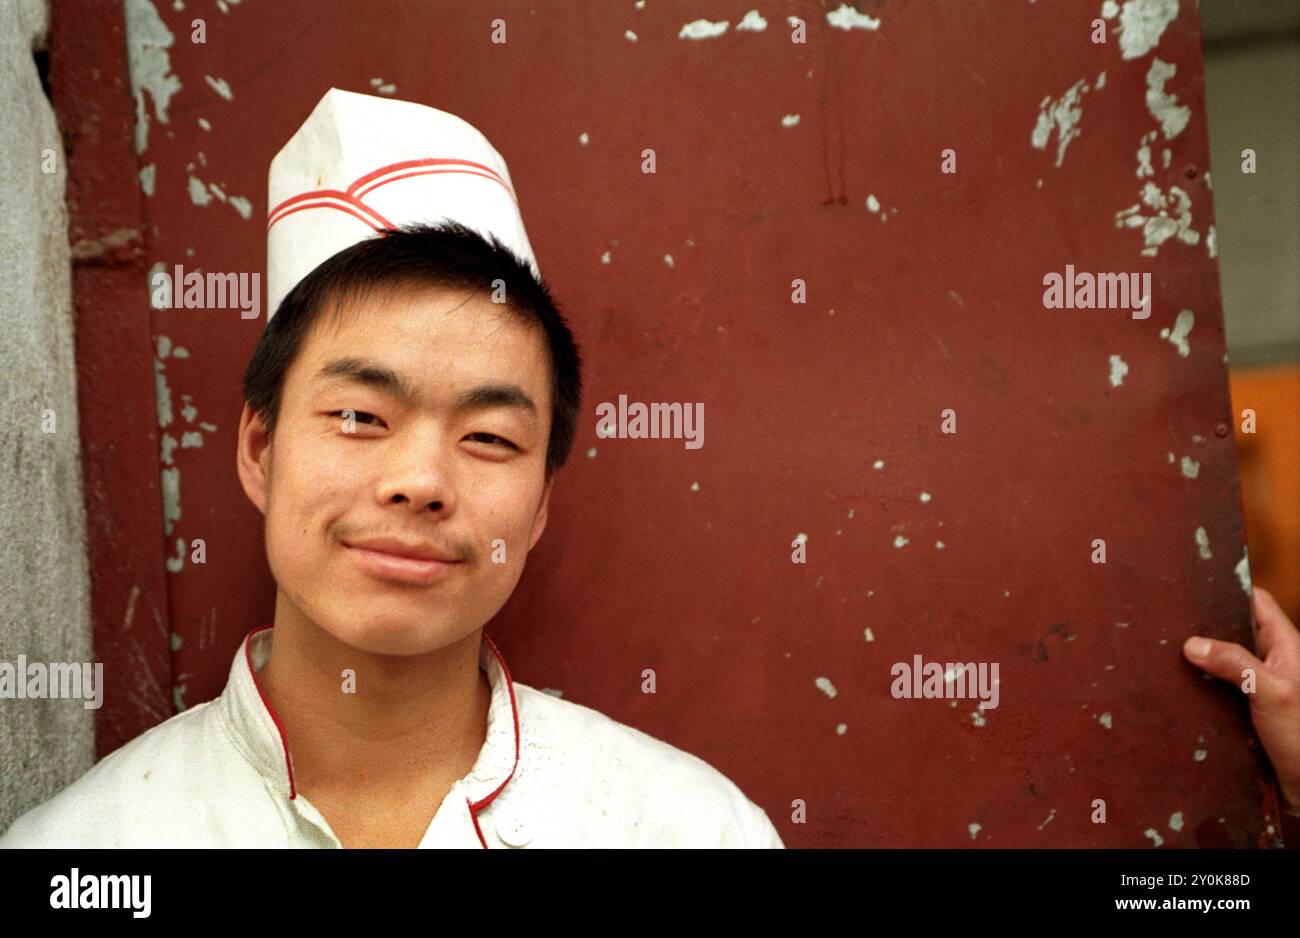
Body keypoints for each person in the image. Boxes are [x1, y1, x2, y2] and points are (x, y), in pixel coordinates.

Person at [0, 89, 784, 848]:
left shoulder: (690, 830)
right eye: (359, 418)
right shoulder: (85, 846)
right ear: (260, 452)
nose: (420, 482)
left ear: (541, 503)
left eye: (487, 438)